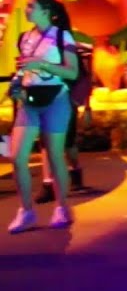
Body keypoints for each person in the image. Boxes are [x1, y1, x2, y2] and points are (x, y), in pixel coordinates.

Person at [7, 0, 80, 234]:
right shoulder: (24, 37)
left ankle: (62, 207)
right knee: (17, 157)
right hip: (29, 101)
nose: (26, 9)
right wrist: (16, 84)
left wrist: (41, 64)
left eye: (31, 6)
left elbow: (71, 73)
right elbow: (22, 69)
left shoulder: (62, 36)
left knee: (55, 155)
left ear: (46, 11)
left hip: (56, 99)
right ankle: (26, 211)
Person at [35, 37, 92, 203]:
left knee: (68, 144)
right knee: (46, 141)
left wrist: (86, 107)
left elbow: (83, 79)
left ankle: (75, 170)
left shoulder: (69, 49)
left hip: (66, 100)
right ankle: (48, 184)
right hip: (46, 100)